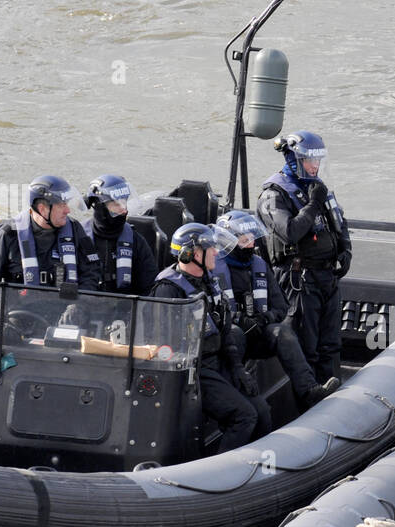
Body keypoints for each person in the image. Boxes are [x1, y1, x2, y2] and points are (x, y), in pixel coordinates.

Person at [148, 222, 271, 453]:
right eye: (211, 248)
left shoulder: (209, 281)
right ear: (193, 254)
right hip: (193, 369)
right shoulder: (168, 289)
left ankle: (256, 470)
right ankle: (222, 476)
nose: (216, 252)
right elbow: (164, 342)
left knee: (261, 411)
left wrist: (237, 368)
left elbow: (224, 330)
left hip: (218, 362)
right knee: (243, 417)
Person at [214, 209, 340, 408]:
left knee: (283, 332)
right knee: (235, 333)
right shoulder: (213, 269)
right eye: (244, 240)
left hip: (258, 331)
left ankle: (308, 390)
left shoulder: (259, 265)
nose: (251, 245)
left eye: (252, 239)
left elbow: (281, 306)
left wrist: (265, 319)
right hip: (229, 337)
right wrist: (238, 320)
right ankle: (233, 394)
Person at [256, 130, 351, 384]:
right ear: (294, 159)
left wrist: (345, 248)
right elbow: (290, 232)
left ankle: (334, 396)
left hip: (327, 276)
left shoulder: (317, 187)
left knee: (330, 344)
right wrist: (312, 205)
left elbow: (339, 220)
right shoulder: (274, 194)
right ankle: (307, 400)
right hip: (300, 278)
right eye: (309, 160)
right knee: (306, 346)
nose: (315, 166)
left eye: (318, 160)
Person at [0, 174, 99, 289]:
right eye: (62, 205)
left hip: (64, 307)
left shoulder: (75, 229)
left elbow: (91, 274)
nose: (68, 210)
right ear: (42, 209)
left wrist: (78, 307)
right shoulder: (6, 234)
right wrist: (0, 306)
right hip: (18, 307)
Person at [81, 174, 158, 295]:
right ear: (99, 206)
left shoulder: (136, 241)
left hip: (124, 310)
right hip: (83, 308)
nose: (124, 210)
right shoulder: (78, 237)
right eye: (117, 204)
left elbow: (149, 288)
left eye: (124, 202)